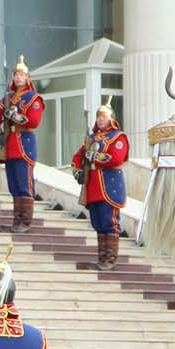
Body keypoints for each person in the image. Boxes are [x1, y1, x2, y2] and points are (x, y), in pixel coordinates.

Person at [71, 99, 128, 266]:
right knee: (98, 223)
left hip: (109, 186)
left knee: (109, 222)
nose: (100, 120)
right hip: (93, 186)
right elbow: (77, 157)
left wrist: (94, 157)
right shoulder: (90, 139)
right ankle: (102, 258)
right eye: (98, 117)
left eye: (104, 116)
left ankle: (110, 259)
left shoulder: (118, 137)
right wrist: (78, 171)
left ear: (111, 118)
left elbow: (116, 158)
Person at [0, 58, 45, 233]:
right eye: (16, 75)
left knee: (24, 184)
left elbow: (34, 121)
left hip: (24, 143)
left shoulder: (34, 98)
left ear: (28, 77)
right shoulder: (8, 98)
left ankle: (25, 221)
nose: (18, 78)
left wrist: (14, 117)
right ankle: (16, 221)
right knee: (13, 185)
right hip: (10, 144)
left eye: (21, 75)